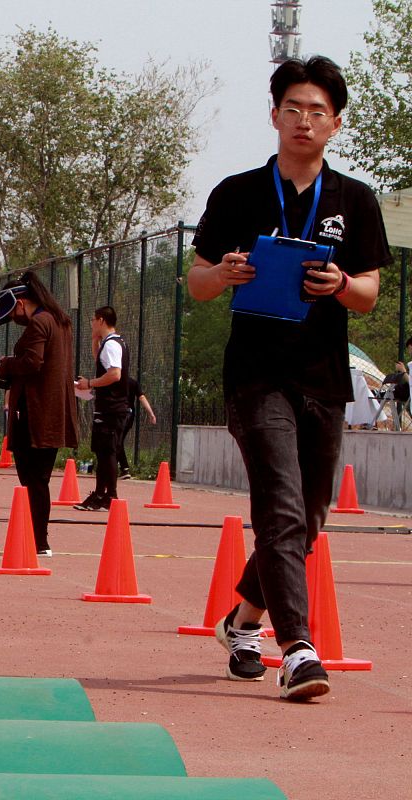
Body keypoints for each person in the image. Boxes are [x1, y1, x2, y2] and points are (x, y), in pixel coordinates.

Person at [188, 56, 390, 701]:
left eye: (318, 111)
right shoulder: (237, 193)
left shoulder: (354, 200)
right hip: (256, 376)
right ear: (274, 114)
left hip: (324, 377)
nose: (305, 120)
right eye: (294, 108)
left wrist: (340, 285)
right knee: (278, 508)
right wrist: (225, 275)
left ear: (336, 124)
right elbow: (196, 283)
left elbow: (370, 294)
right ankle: (298, 647)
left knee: (307, 516)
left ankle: (242, 620)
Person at [0, 272, 79, 556]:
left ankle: (37, 540)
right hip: (53, 411)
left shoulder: (40, 322)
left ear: (20, 303)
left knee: (32, 479)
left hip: (34, 412)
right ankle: (37, 539)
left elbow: (32, 362)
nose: (14, 320)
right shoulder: (60, 322)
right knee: (39, 479)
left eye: (12, 313)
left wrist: (6, 364)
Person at [74, 306, 128, 511]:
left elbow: (115, 374)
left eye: (93, 320)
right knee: (103, 451)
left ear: (102, 320)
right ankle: (102, 494)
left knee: (107, 452)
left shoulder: (113, 345)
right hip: (109, 406)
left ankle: (107, 495)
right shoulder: (109, 343)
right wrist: (94, 340)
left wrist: (91, 383)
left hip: (112, 407)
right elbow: (101, 359)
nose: (91, 323)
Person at [117, 376, 157, 479]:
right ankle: (120, 467)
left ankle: (123, 468)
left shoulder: (114, 380)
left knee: (117, 441)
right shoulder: (133, 382)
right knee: (117, 441)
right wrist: (151, 413)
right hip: (129, 415)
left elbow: (141, 397)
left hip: (120, 414)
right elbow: (142, 397)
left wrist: (151, 413)